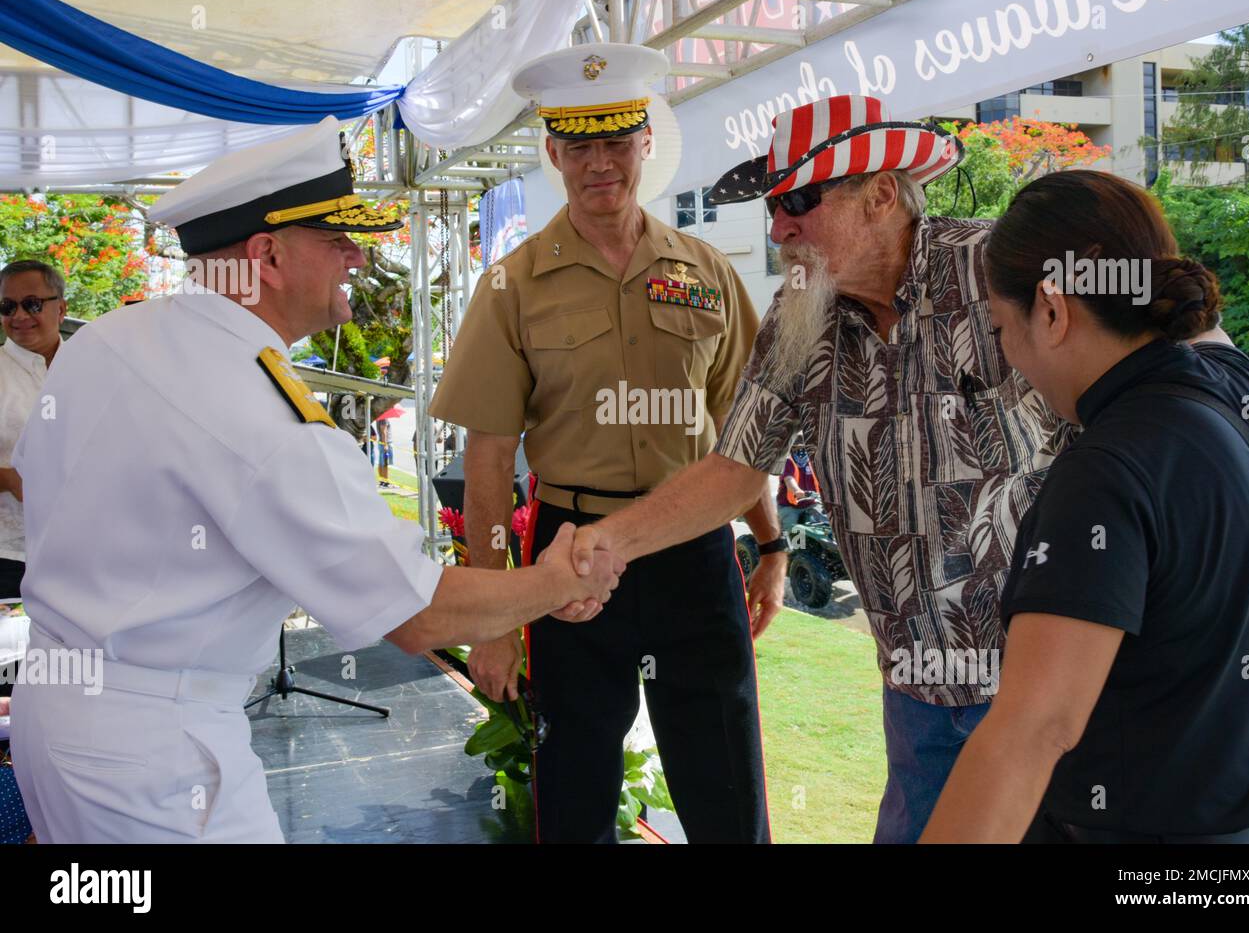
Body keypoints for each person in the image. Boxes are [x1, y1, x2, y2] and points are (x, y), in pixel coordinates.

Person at [10, 117, 622, 844]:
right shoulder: (258, 410)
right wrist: (555, 582)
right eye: (336, 241)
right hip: (155, 754)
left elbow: (32, 476)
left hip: (57, 712)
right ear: (266, 255)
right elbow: (417, 613)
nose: (356, 258)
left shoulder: (111, 337)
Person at [571, 94, 1076, 843]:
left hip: (1048, 690)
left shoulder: (999, 268)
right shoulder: (798, 309)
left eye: (801, 201)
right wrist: (605, 543)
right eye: (775, 206)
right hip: (914, 695)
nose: (779, 229)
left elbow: (1148, 384)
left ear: (879, 194)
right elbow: (737, 467)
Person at [428, 43, 780, 843]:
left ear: (645, 142)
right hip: (572, 557)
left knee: (726, 784)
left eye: (616, 141)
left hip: (695, 551)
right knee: (577, 787)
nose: (600, 165)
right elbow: (488, 456)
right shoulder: (511, 285)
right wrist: (491, 616)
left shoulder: (706, 272)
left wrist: (770, 542)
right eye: (578, 145)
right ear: (552, 152)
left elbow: (741, 429)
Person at [920, 170, 1249, 843]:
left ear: (1053, 309)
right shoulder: (1241, 395)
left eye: (1004, 327)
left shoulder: (1104, 475)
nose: (1008, 357)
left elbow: (1035, 731)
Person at [0, 260, 66, 600]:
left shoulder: (95, 369)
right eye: (7, 306)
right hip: (8, 558)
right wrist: (8, 479)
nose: (20, 316)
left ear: (62, 308)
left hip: (82, 552)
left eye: (33, 303)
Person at [776, 435, 823, 531]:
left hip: (810, 504)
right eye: (797, 449)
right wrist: (797, 491)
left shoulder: (813, 463)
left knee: (824, 523)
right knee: (791, 527)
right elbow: (789, 480)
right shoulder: (788, 463)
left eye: (804, 449)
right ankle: (786, 544)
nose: (801, 452)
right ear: (791, 450)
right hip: (789, 506)